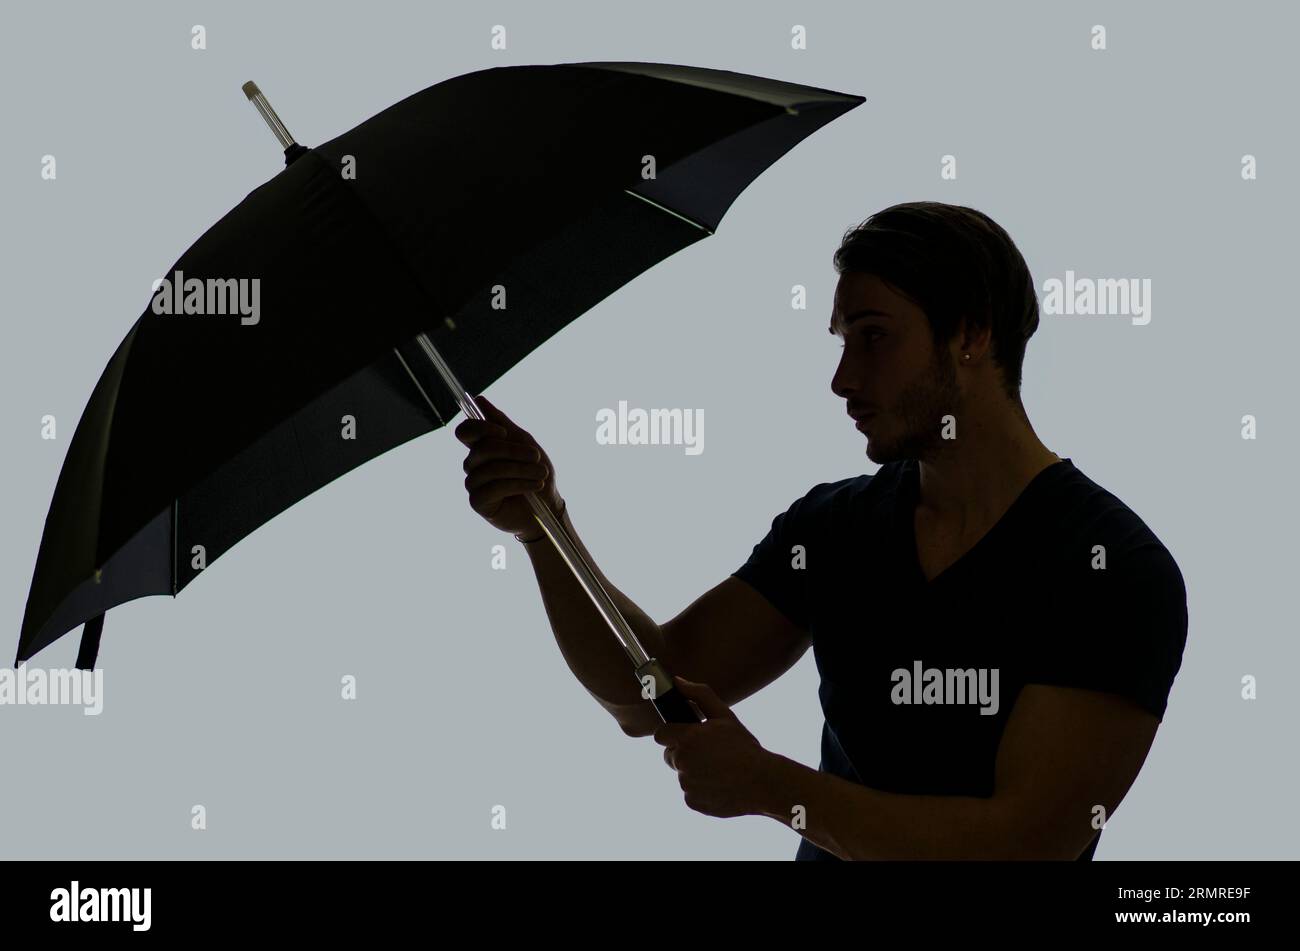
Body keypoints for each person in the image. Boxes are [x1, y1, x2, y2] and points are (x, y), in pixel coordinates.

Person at [454, 201, 1188, 860]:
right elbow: (650, 687)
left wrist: (772, 785)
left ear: (971, 333)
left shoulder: (1110, 567)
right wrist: (544, 525)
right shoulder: (835, 528)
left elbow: (1022, 847)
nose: (842, 378)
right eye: (841, 340)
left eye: (873, 338)